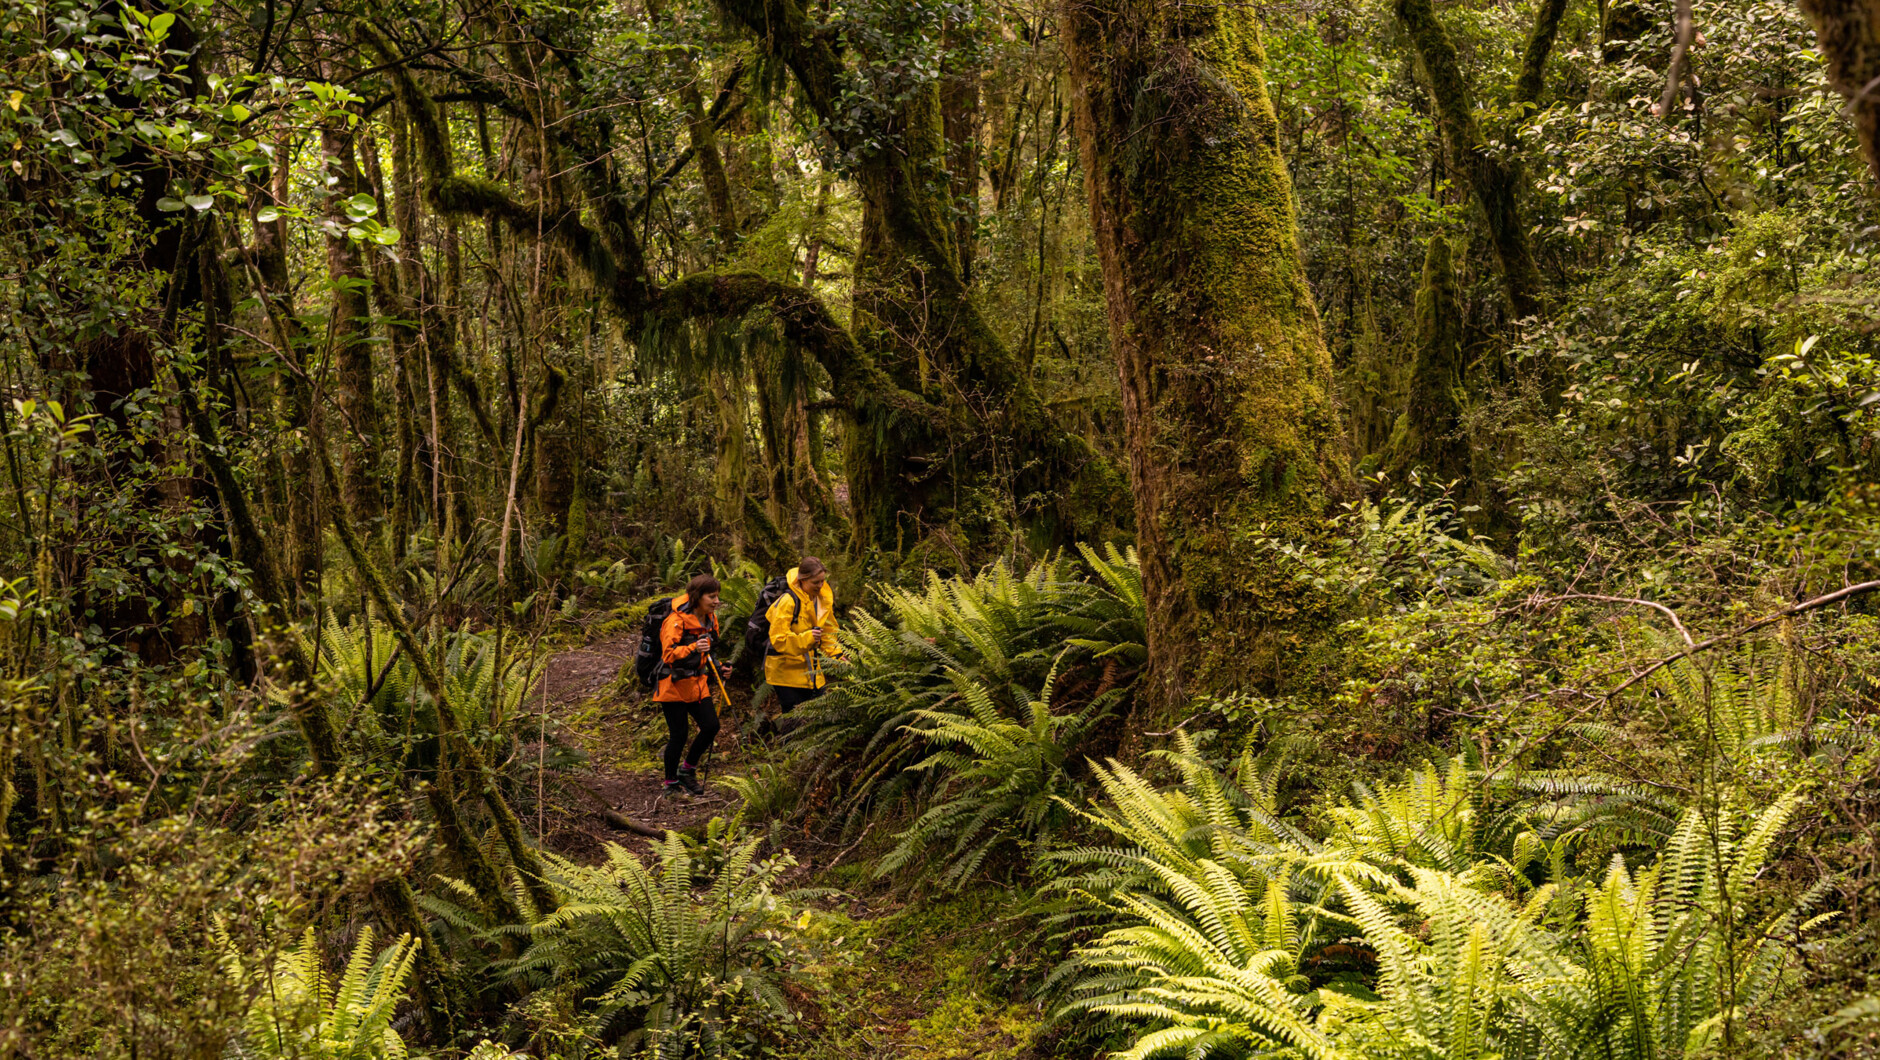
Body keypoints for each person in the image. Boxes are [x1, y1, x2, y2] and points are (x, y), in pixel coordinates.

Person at [656, 573, 728, 796]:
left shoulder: (710, 618)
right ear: (697, 597)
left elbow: (710, 648)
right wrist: (693, 648)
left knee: (711, 726)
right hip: (673, 684)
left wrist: (720, 666)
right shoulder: (675, 621)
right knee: (679, 734)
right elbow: (668, 654)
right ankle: (670, 783)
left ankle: (687, 770)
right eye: (712, 597)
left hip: (698, 682)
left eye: (718, 596)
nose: (716, 601)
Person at [764, 557, 844, 724]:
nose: (820, 585)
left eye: (823, 581)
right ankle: (786, 750)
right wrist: (808, 638)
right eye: (816, 582)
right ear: (802, 580)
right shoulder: (788, 601)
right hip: (785, 674)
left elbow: (828, 631)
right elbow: (778, 639)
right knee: (794, 724)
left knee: (817, 720)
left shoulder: (822, 599)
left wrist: (836, 655)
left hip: (811, 672)